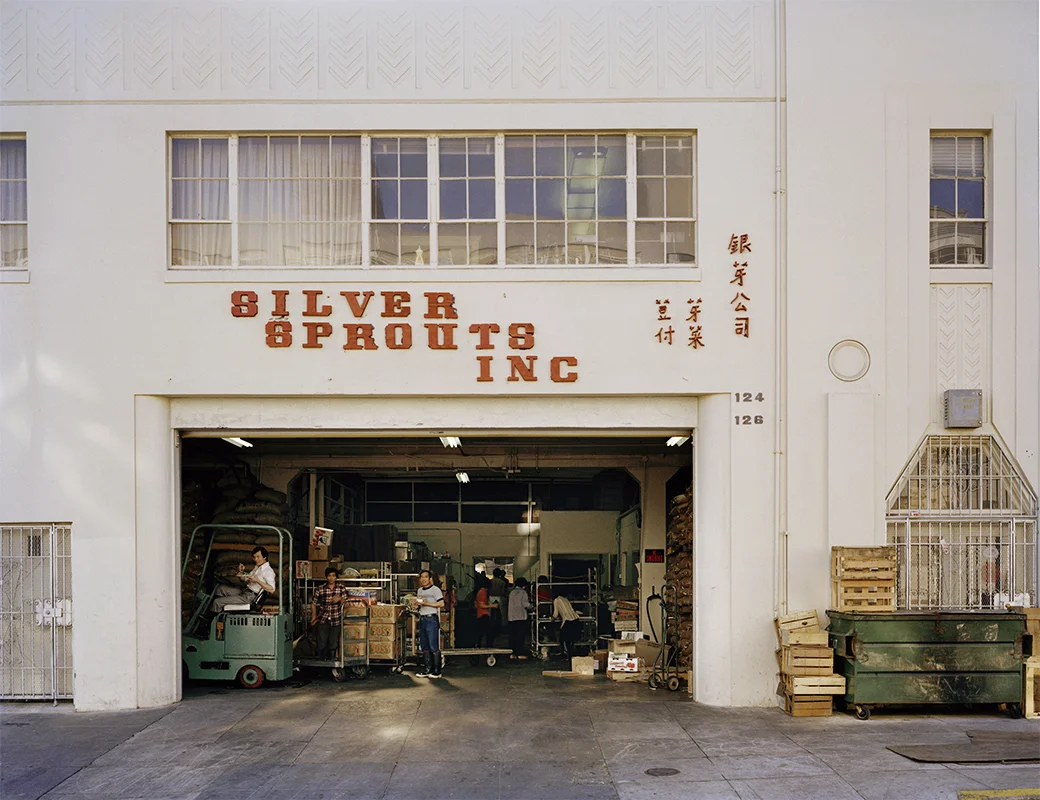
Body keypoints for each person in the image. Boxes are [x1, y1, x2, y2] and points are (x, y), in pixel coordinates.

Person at [212, 546, 276, 612]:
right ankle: (222, 610)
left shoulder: (268, 571)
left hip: (250, 598)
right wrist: (241, 572)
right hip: (244, 591)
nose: (255, 559)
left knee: (217, 602)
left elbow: (272, 589)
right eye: (254, 557)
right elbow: (244, 580)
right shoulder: (257, 568)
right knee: (220, 589)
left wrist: (258, 581)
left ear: (264, 557)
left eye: (258, 557)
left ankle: (212, 618)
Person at [310, 567, 347, 660]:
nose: (331, 578)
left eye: (333, 576)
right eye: (329, 576)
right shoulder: (321, 588)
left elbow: (345, 603)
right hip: (323, 619)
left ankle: (331, 662)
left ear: (336, 577)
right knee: (321, 643)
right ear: (326, 577)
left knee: (333, 643)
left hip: (336, 620)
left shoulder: (341, 588)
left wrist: (340, 599)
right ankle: (321, 663)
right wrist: (313, 617)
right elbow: (313, 604)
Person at [414, 569, 444, 678]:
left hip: (431, 619)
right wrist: (417, 605)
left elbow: (441, 603)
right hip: (422, 619)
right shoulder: (420, 591)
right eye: (421, 577)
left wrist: (427, 603)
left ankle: (437, 671)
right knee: (424, 645)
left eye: (425, 577)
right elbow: (420, 604)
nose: (423, 579)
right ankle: (427, 669)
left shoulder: (436, 590)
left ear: (430, 579)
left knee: (433, 645)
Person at [506, 577, 532, 660]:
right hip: (520, 617)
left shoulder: (512, 592)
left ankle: (512, 653)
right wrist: (532, 606)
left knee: (513, 636)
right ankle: (520, 653)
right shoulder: (523, 593)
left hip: (511, 617)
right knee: (520, 636)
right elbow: (525, 604)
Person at [551, 590, 581, 659]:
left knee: (563, 639)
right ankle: (571, 655)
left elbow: (556, 613)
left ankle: (566, 655)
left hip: (568, 621)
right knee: (571, 640)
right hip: (576, 619)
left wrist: (552, 618)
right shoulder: (565, 599)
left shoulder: (556, 600)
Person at [488, 568, 508, 645]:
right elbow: (503, 592)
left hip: (491, 597)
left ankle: (491, 629)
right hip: (499, 598)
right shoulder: (502, 582)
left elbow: (488, 590)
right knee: (501, 615)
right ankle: (499, 629)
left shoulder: (490, 582)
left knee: (490, 614)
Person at [473, 575, 492, 648]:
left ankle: (479, 646)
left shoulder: (481, 592)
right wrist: (492, 606)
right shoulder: (482, 592)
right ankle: (484, 647)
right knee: (486, 633)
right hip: (483, 614)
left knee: (481, 633)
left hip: (481, 614)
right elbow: (481, 605)